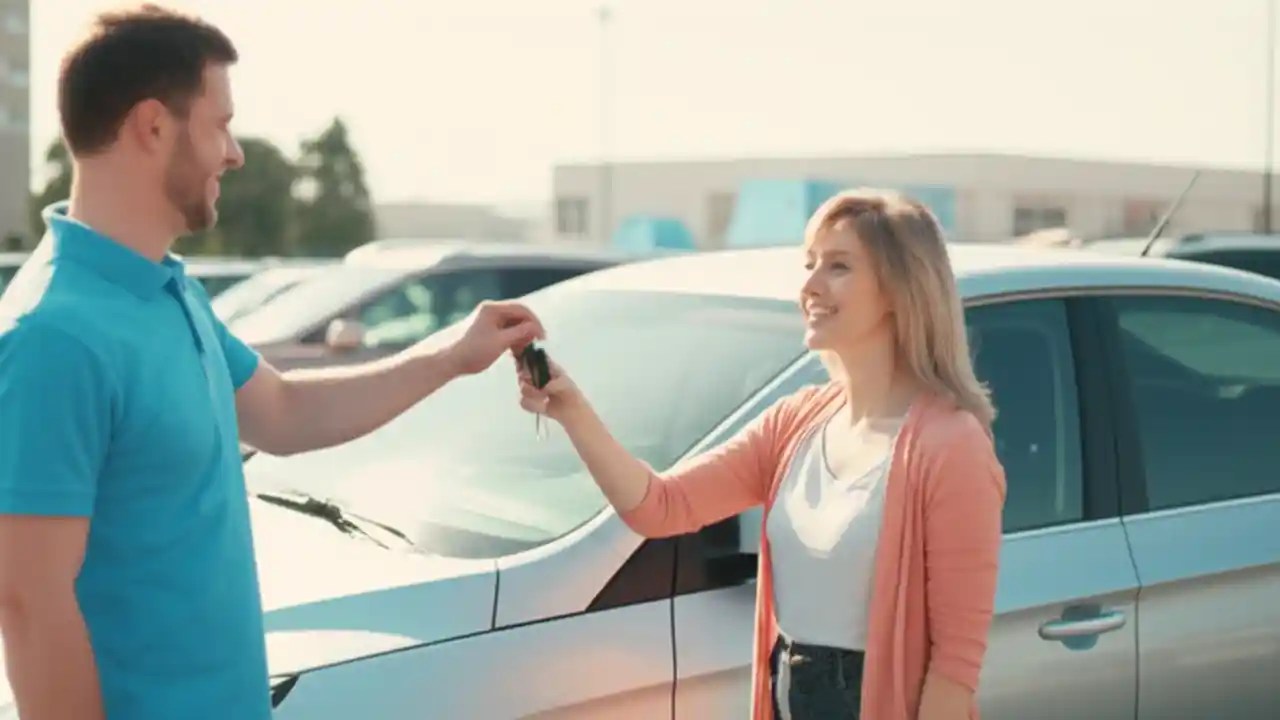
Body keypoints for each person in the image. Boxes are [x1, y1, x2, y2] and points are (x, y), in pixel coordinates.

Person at [0, 6, 542, 720]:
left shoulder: (170, 288)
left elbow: (283, 411)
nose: (235, 152)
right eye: (220, 123)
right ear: (153, 126)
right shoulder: (52, 335)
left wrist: (449, 354)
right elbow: (29, 605)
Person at [517, 188, 1007, 720]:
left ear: (900, 289)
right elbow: (659, 506)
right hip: (788, 688)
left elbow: (955, 671)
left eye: (838, 267)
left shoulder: (950, 446)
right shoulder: (795, 421)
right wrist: (573, 411)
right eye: (810, 264)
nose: (810, 286)